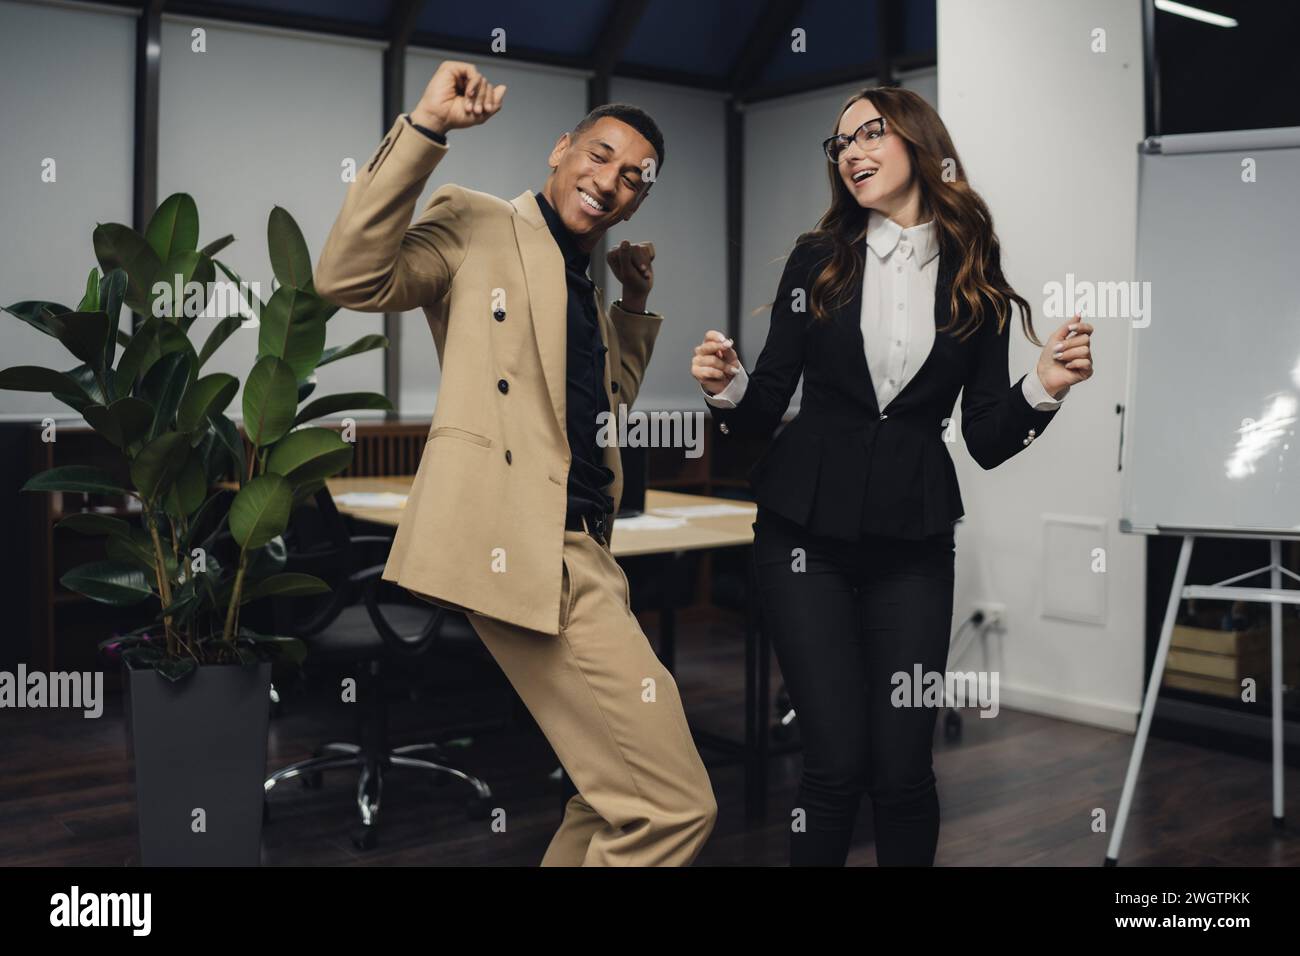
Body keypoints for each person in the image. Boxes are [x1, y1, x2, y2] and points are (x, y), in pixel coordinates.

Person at [317, 60, 716, 866]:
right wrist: (427, 129)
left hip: (588, 548)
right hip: (530, 544)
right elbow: (348, 277)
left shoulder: (584, 282)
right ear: (560, 149)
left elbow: (601, 406)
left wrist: (632, 305)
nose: (612, 181)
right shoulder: (478, 222)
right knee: (673, 807)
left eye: (635, 178)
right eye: (600, 155)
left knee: (608, 798)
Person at [690, 86, 1094, 866]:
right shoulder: (819, 259)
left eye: (869, 132)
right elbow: (764, 401)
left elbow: (983, 437)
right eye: (839, 143)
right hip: (802, 539)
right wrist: (726, 386)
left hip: (911, 545)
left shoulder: (976, 273)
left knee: (904, 772)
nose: (850, 152)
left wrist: (1045, 386)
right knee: (835, 767)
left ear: (917, 140)